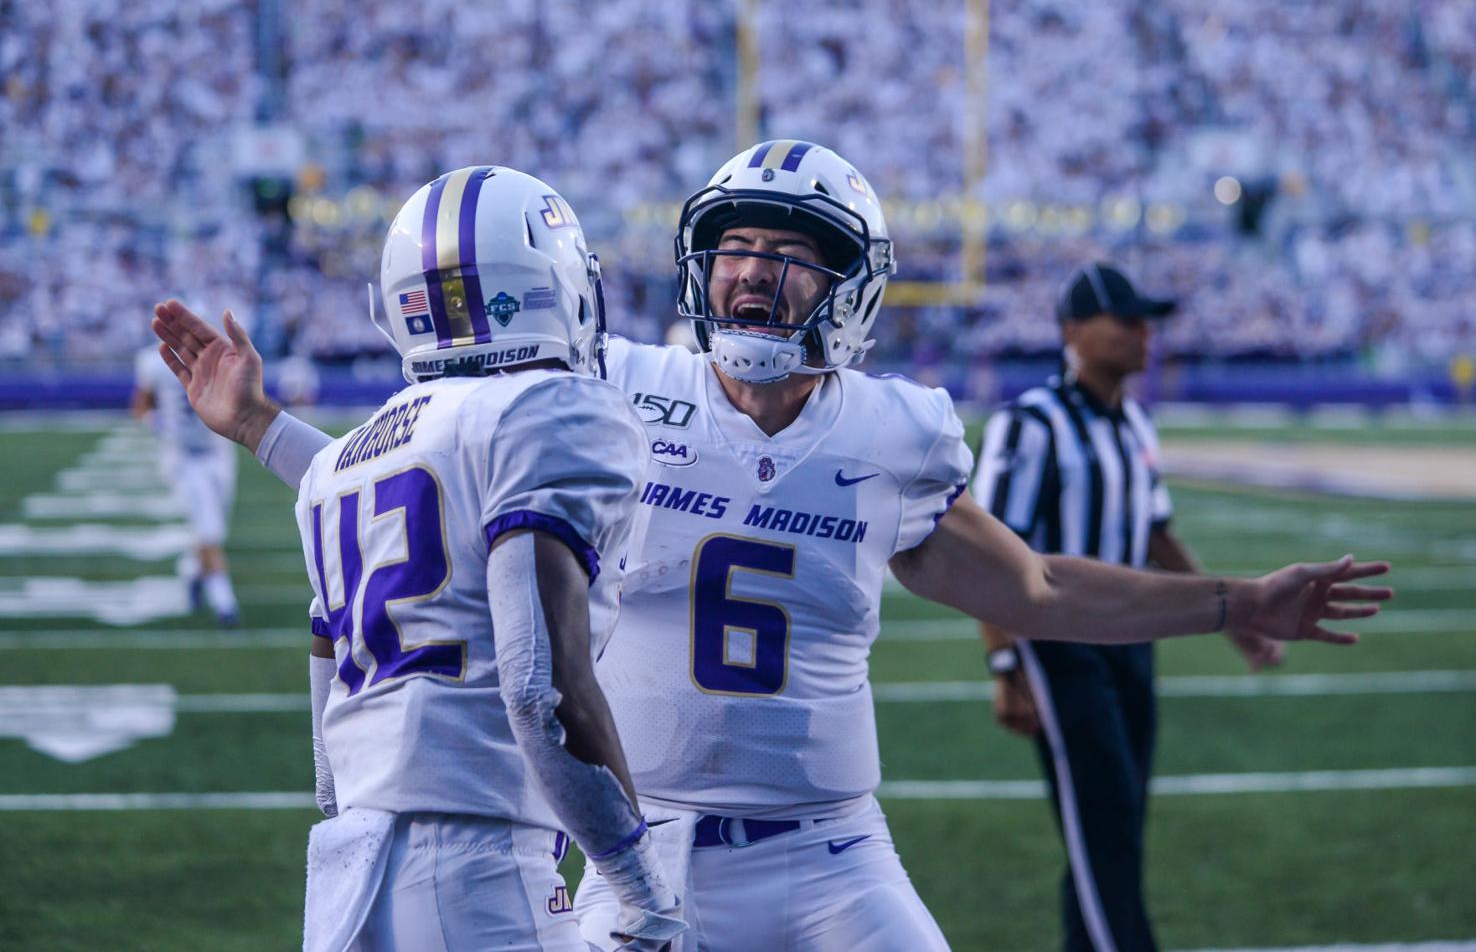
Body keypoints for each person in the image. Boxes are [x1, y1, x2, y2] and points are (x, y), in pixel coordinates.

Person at [154, 141, 1392, 952]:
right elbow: (423, 483)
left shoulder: (895, 433)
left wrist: (1230, 599)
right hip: (645, 846)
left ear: (848, 287)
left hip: (831, 854)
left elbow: (1038, 586)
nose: (753, 273)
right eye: (738, 246)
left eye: (790, 253)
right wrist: (260, 427)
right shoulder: (609, 392)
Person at [156, 166, 684, 952]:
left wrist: (265, 427)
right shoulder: (554, 410)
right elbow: (539, 687)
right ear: (552, 286)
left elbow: (327, 765)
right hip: (483, 869)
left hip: (350, 882)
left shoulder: (341, 472)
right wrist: (639, 883)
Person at [975, 263, 1284, 952]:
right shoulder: (1030, 423)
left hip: (1133, 640)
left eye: (1148, 320)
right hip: (1058, 644)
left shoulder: (1136, 424)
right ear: (1073, 330)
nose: (1146, 334)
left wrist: (1235, 616)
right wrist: (1002, 657)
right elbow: (989, 548)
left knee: (1117, 822)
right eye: (1128, 319)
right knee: (1105, 816)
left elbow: (1155, 531)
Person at [131, 343, 241, 626]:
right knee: (209, 531)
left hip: (218, 451)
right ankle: (224, 603)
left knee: (217, 527)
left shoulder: (216, 357)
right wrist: (157, 425)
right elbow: (141, 405)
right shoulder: (154, 362)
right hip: (184, 457)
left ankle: (192, 572)